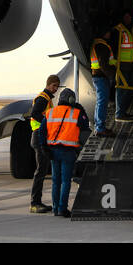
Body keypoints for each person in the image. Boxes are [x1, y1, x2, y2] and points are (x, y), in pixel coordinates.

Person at [46, 88, 91, 217]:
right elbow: (84, 127)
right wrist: (79, 108)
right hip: (68, 151)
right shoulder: (76, 113)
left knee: (56, 181)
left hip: (53, 151)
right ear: (71, 99)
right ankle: (62, 209)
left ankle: (55, 208)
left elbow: (43, 131)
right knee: (66, 181)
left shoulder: (50, 113)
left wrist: (45, 149)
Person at [28, 74, 61, 213]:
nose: (55, 89)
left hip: (41, 136)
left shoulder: (47, 99)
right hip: (38, 136)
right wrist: (47, 124)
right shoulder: (43, 98)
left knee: (42, 170)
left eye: (57, 87)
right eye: (54, 86)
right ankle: (34, 203)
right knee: (40, 171)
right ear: (48, 85)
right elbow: (35, 113)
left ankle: (38, 202)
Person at [89, 29, 117, 136]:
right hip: (101, 77)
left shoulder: (96, 43)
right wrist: (112, 75)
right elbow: (104, 65)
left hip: (97, 76)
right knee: (102, 102)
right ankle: (100, 128)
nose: (109, 33)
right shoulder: (102, 46)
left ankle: (99, 126)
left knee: (100, 102)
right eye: (107, 30)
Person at [115, 12, 133, 120]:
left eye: (130, 16)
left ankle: (123, 112)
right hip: (122, 65)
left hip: (131, 63)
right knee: (122, 89)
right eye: (126, 16)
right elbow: (114, 47)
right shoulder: (119, 30)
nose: (128, 18)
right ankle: (119, 113)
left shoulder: (132, 29)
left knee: (129, 89)